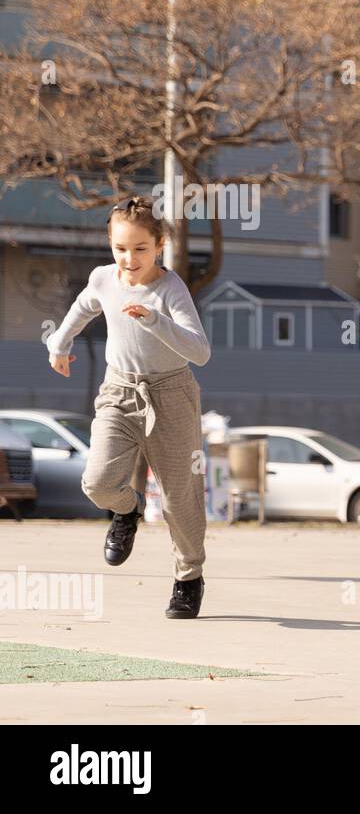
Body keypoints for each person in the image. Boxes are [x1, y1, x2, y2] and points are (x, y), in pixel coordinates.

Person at [46, 196, 212, 619]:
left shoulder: (171, 288)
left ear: (159, 245)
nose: (129, 258)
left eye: (140, 249)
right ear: (110, 244)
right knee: (98, 482)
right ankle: (126, 509)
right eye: (121, 248)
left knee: (179, 500)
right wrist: (59, 343)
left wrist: (155, 319)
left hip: (172, 396)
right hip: (119, 390)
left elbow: (200, 351)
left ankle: (188, 578)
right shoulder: (104, 278)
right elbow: (84, 305)